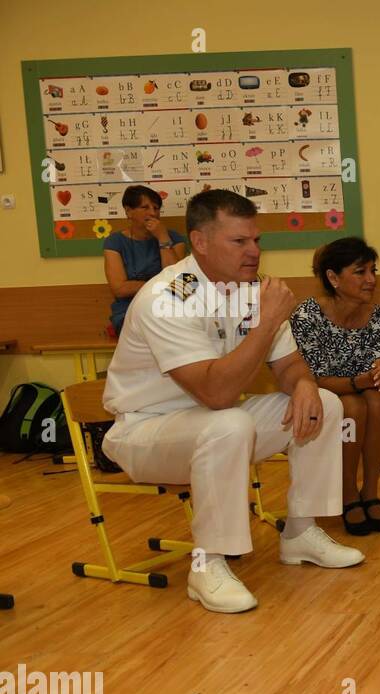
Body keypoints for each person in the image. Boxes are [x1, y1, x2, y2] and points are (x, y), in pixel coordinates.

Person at [102, 190, 364, 614]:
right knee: (229, 423)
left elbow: (291, 364)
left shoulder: (250, 289)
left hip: (211, 422)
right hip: (145, 431)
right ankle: (207, 565)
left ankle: (299, 533)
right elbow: (217, 394)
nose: (254, 252)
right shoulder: (166, 297)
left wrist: (303, 385)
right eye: (239, 242)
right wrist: (267, 322)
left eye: (256, 241)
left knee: (327, 404)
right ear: (200, 242)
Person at [290, 237, 380, 535]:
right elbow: (309, 378)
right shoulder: (307, 316)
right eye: (360, 272)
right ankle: (348, 493)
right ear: (333, 278)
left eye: (373, 271)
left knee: (377, 401)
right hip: (319, 392)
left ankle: (371, 491)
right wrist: (359, 381)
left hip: (362, 388)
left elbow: (373, 369)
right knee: (350, 406)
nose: (371, 280)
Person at [102, 185, 186, 336]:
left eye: (156, 208)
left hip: (169, 307)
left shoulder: (174, 239)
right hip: (129, 310)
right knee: (154, 330)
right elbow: (119, 289)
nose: (153, 213)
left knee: (181, 327)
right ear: (128, 211)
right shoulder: (114, 242)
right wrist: (161, 285)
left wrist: (163, 238)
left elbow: (178, 284)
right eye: (145, 207)